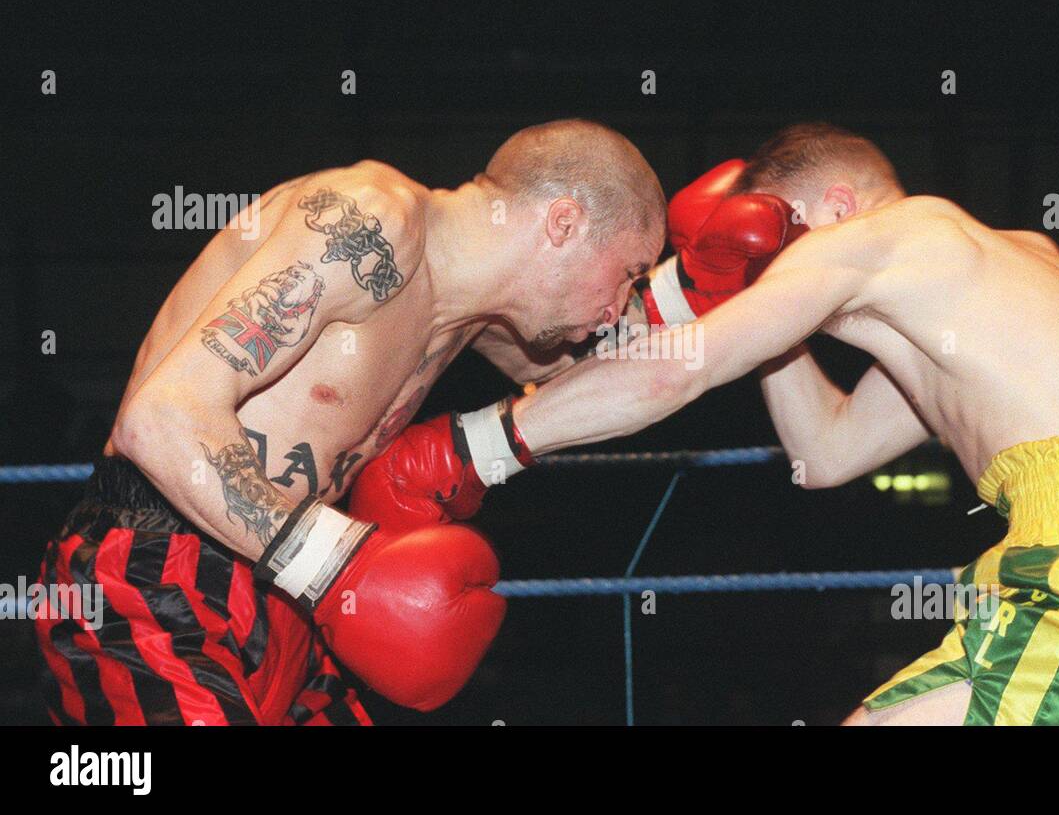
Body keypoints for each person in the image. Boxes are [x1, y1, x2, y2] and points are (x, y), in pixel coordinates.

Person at [420, 123, 1059, 725]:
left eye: (780, 240)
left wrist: (477, 443)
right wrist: (755, 305)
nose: (782, 268)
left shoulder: (882, 237)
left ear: (834, 204)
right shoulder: (992, 275)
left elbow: (676, 367)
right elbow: (824, 452)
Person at [34, 119, 668, 725]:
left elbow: (635, 370)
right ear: (564, 222)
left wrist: (696, 286)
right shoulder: (370, 224)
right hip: (159, 566)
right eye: (629, 273)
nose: (619, 306)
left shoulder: (476, 315)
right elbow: (160, 418)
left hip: (294, 595)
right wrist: (338, 568)